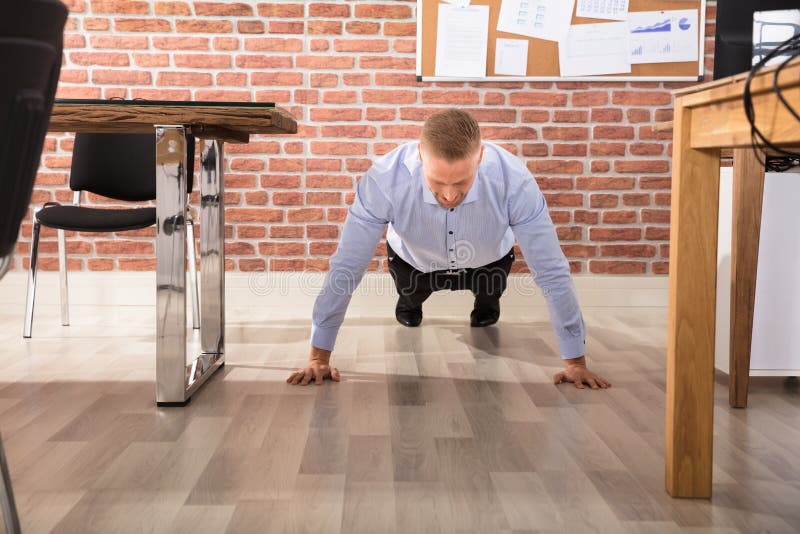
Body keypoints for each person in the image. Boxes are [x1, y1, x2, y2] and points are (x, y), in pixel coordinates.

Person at [287, 109, 611, 390]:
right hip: (415, 262)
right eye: (438, 182)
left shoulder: (515, 181)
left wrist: (575, 362)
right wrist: (319, 356)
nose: (449, 195)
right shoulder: (384, 180)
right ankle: (410, 303)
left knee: (488, 300)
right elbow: (348, 264)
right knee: (410, 301)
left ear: (480, 157)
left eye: (461, 182)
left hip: (488, 260)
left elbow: (550, 269)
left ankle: (486, 306)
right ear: (420, 155)